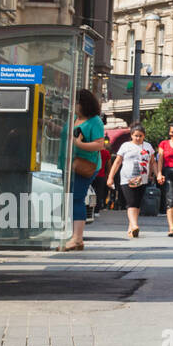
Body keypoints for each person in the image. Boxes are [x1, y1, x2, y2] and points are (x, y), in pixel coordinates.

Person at [61, 89, 105, 252]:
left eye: (75, 103)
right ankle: (74, 236)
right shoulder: (74, 118)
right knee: (72, 199)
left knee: (77, 199)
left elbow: (99, 144)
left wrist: (79, 145)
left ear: (83, 104)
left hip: (85, 164)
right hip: (69, 164)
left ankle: (77, 238)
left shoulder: (95, 121)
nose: (73, 106)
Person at [109, 124, 156, 239]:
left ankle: (131, 228)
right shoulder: (126, 146)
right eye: (136, 136)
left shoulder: (148, 147)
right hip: (127, 178)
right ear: (131, 136)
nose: (138, 138)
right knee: (131, 202)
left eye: (140, 136)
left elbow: (153, 162)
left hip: (142, 179)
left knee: (137, 203)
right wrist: (110, 177)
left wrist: (156, 174)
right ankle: (135, 225)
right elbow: (117, 162)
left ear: (144, 136)